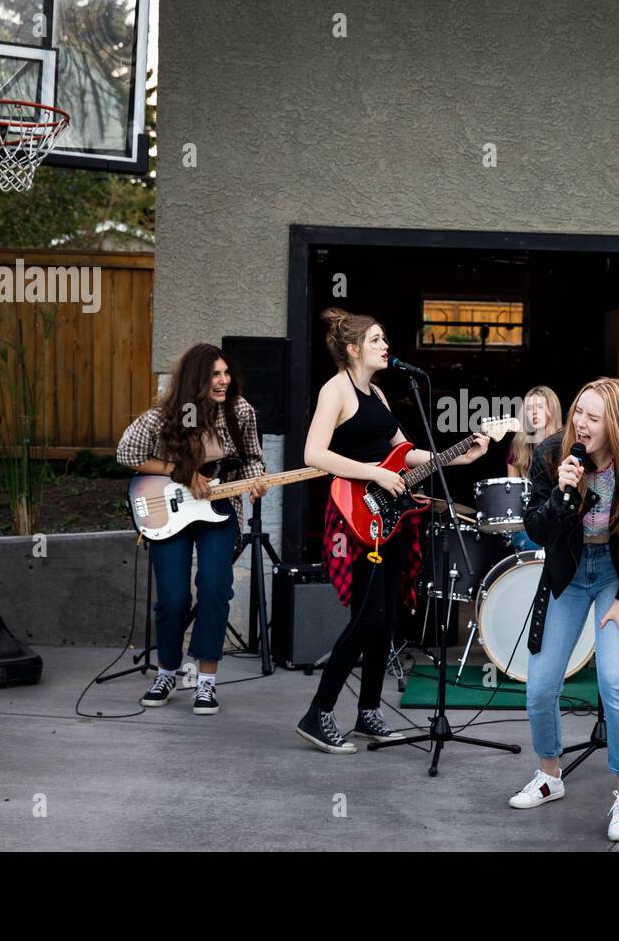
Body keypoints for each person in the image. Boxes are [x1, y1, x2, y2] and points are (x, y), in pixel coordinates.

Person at [296, 308, 489, 753]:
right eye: (377, 339)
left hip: (390, 517)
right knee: (367, 618)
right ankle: (318, 713)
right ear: (353, 349)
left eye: (385, 339)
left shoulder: (378, 395)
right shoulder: (336, 389)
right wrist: (374, 474)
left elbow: (404, 454)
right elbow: (313, 453)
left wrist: (460, 454)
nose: (386, 346)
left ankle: (368, 714)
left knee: (386, 622)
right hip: (354, 515)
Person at [508, 377, 619, 842]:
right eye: (579, 412)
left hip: (616, 572)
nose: (581, 423)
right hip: (570, 570)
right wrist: (561, 495)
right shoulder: (552, 454)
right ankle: (549, 775)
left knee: (614, 681)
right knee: (539, 687)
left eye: (593, 418)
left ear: (616, 424)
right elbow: (537, 530)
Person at [116, 343, 268, 715]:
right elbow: (127, 453)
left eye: (226, 373)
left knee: (215, 589)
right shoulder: (170, 414)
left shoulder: (240, 411)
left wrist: (257, 480)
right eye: (215, 374)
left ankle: (206, 682)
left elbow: (251, 458)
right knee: (172, 599)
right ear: (196, 379)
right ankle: (167, 672)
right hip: (170, 511)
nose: (223, 380)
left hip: (219, 507)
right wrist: (182, 473)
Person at [506, 385, 562, 550]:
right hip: (530, 521)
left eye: (539, 407)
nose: (534, 413)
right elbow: (511, 493)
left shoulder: (564, 442)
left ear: (552, 409)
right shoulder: (517, 448)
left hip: (558, 517)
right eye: (529, 408)